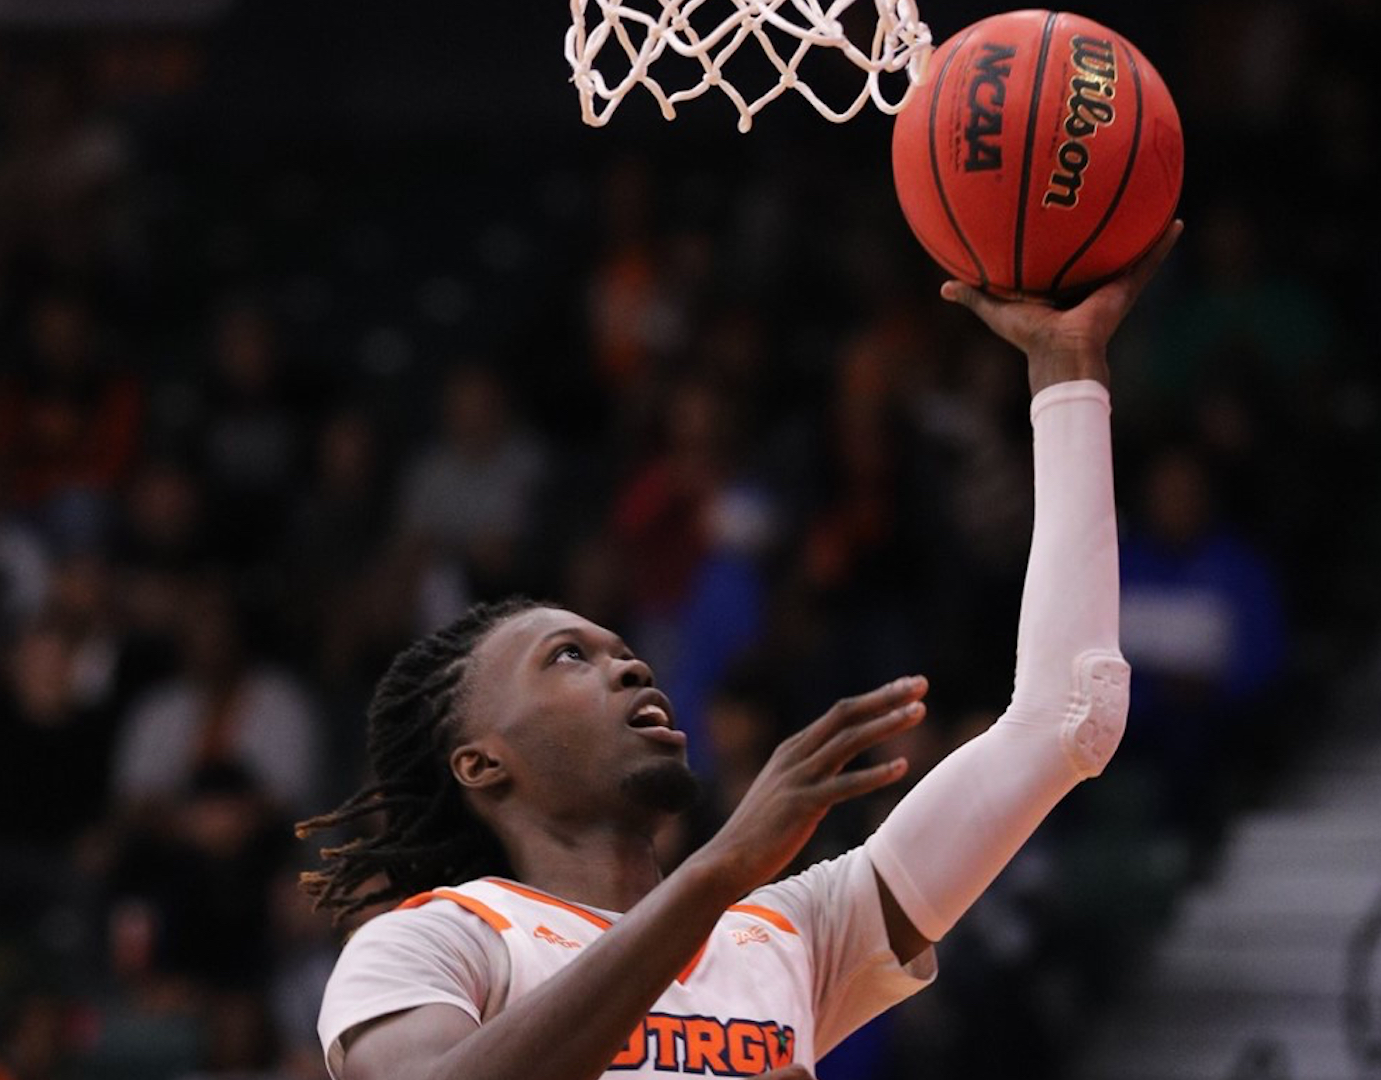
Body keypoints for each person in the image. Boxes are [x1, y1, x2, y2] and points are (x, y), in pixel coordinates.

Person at [300, 225, 1182, 1080]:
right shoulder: (438, 939)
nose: (629, 665)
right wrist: (716, 873)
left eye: (621, 650)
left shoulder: (791, 933)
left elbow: (1069, 718)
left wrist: (1066, 374)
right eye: (568, 657)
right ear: (481, 763)